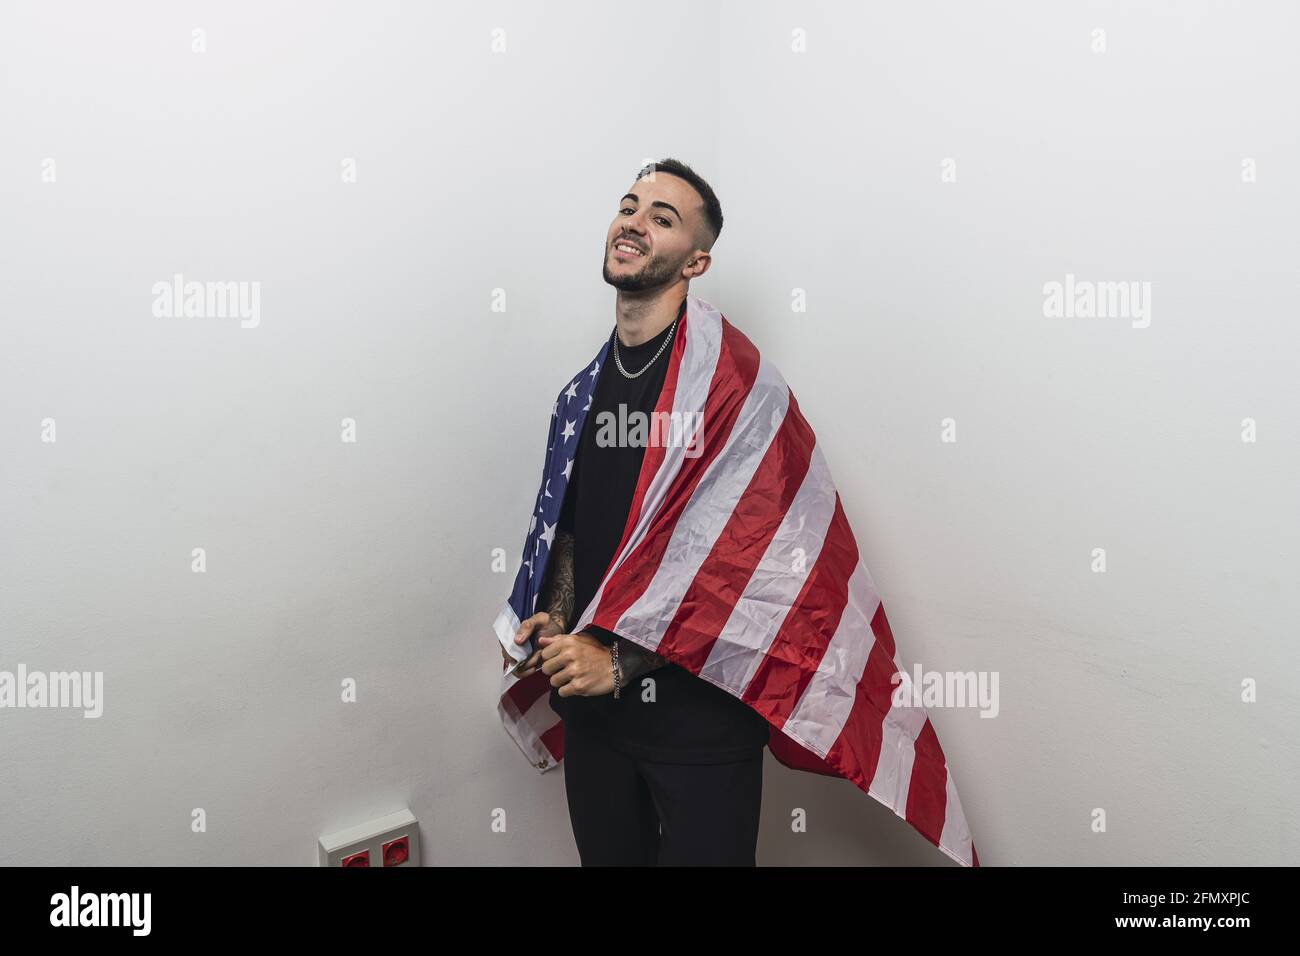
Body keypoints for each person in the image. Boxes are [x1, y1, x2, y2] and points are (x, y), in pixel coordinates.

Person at [501, 159, 769, 865]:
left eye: (662, 217)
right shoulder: (581, 393)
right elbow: (578, 524)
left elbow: (744, 563)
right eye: (629, 205)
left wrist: (618, 662)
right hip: (596, 718)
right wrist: (554, 613)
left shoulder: (732, 389)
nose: (634, 222)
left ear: (697, 260)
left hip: (701, 725)